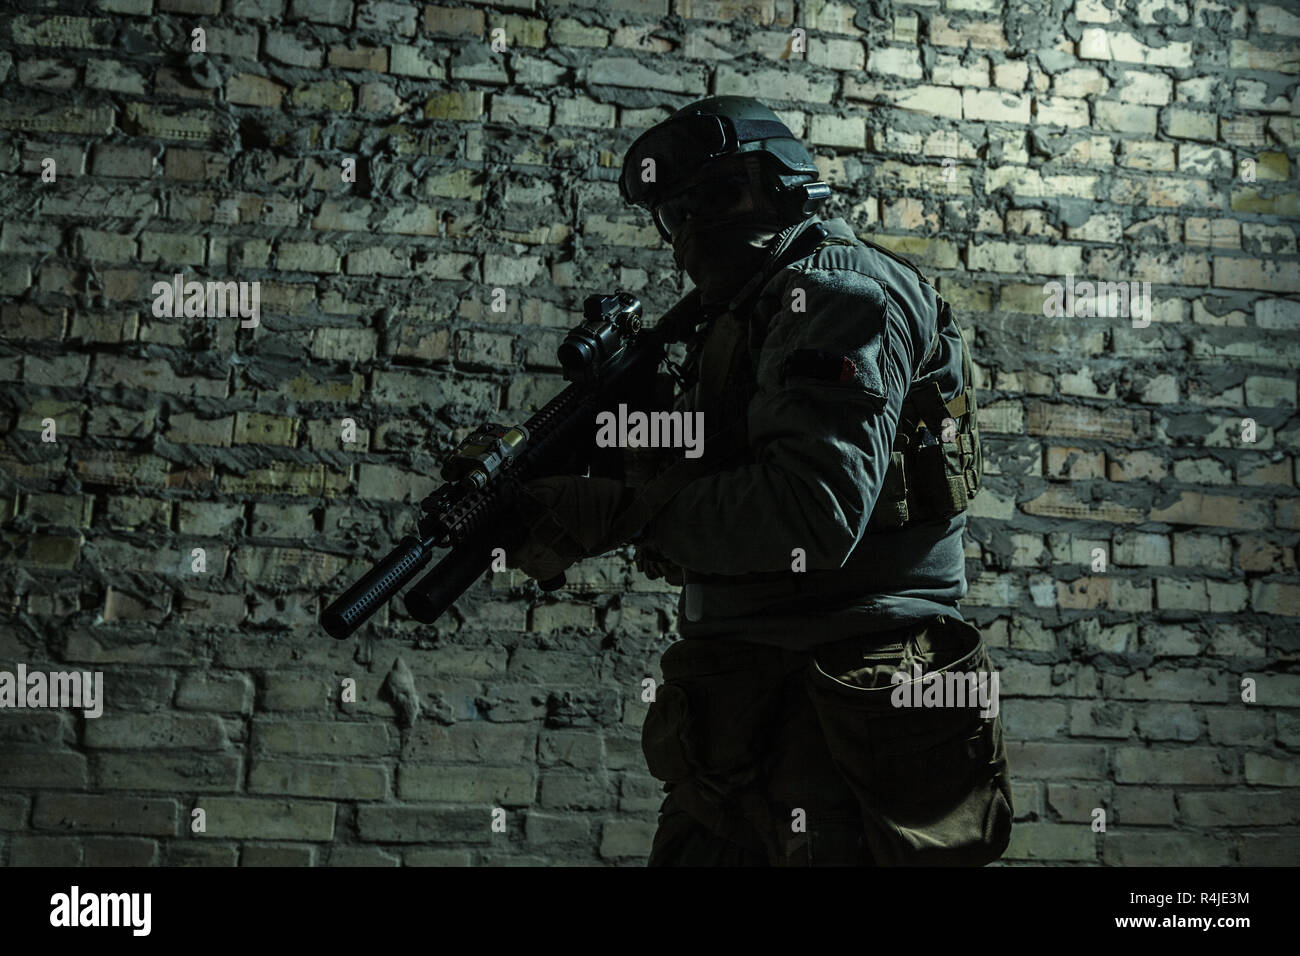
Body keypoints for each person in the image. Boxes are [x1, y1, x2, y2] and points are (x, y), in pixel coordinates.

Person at [507, 95, 1012, 866]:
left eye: (717, 197)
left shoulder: (838, 294)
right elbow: (708, 468)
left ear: (786, 187)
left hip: (845, 712)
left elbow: (808, 512)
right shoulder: (747, 314)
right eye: (675, 214)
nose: (694, 232)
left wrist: (628, 517)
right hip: (739, 705)